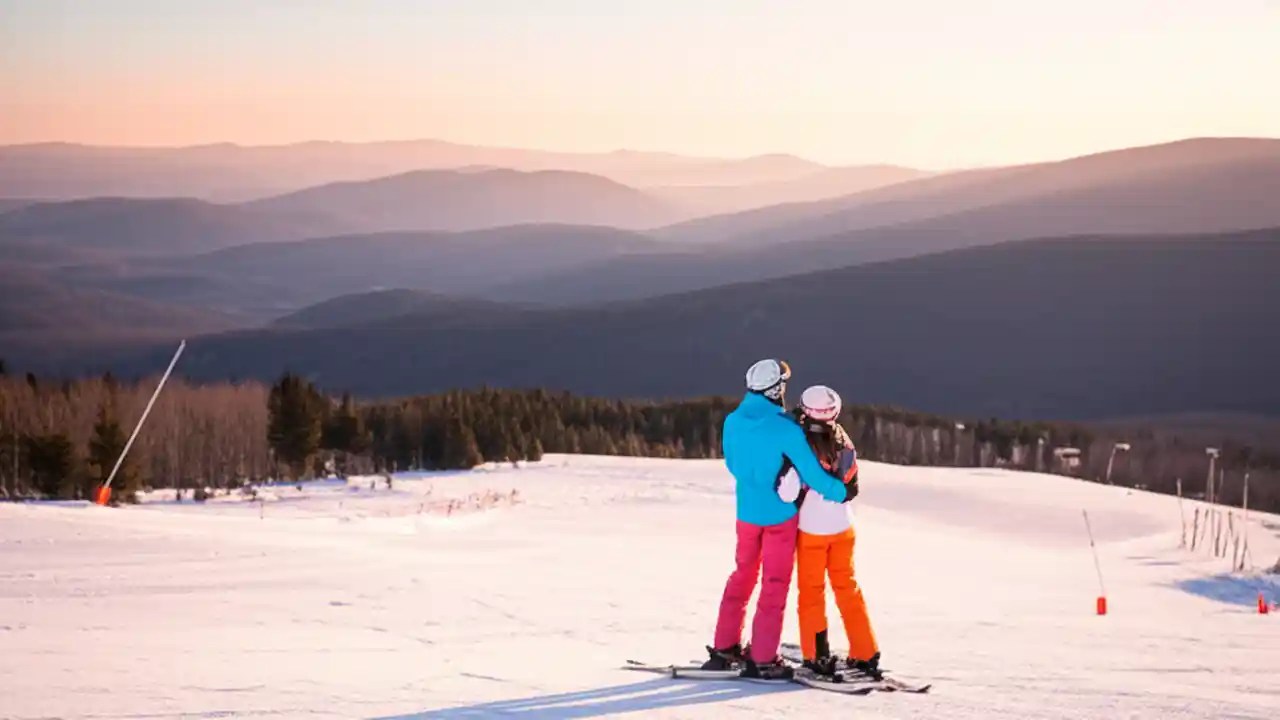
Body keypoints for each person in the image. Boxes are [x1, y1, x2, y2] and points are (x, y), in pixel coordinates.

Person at [702, 359, 857, 679]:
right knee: (774, 584)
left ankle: (724, 647)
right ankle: (763, 657)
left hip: (746, 514)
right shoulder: (785, 428)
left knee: (742, 575)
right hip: (780, 519)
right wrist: (841, 491)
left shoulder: (732, 422)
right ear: (776, 389)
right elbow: (813, 474)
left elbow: (732, 464)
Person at [776, 385, 880, 677]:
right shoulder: (843, 440)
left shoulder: (801, 447)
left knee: (812, 593)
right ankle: (865, 651)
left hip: (812, 530)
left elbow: (787, 491)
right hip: (844, 527)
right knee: (848, 588)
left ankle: (818, 655)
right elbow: (851, 487)